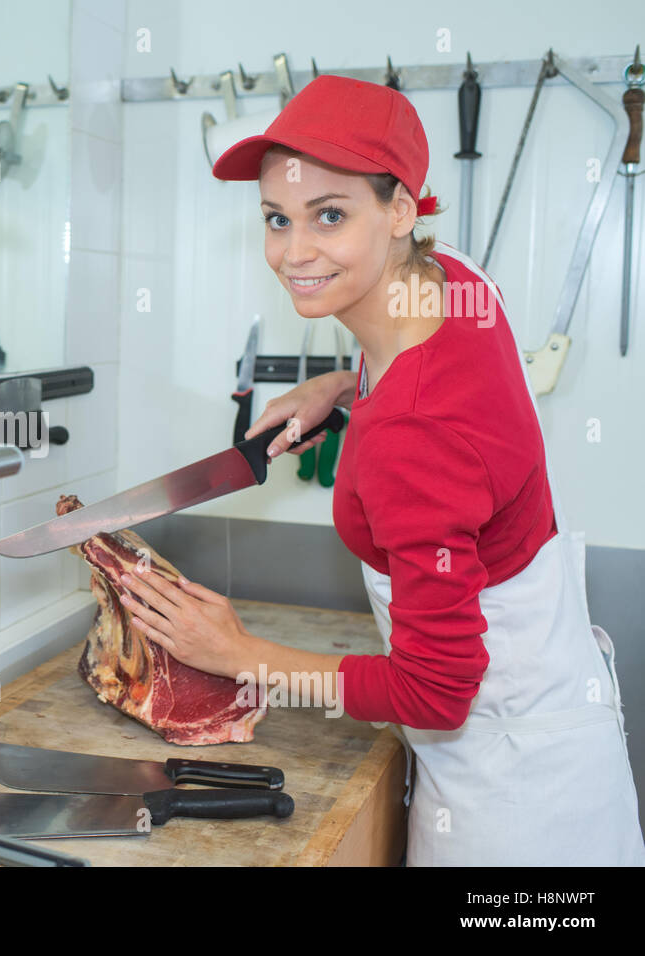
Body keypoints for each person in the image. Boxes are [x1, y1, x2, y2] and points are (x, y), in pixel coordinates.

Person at [115, 75, 644, 866]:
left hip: (513, 814)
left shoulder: (413, 434)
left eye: (331, 215)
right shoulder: (455, 281)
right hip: (565, 734)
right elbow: (436, 391)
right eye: (276, 218)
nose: (294, 252)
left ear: (400, 209)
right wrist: (341, 387)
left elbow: (437, 691)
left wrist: (238, 655)